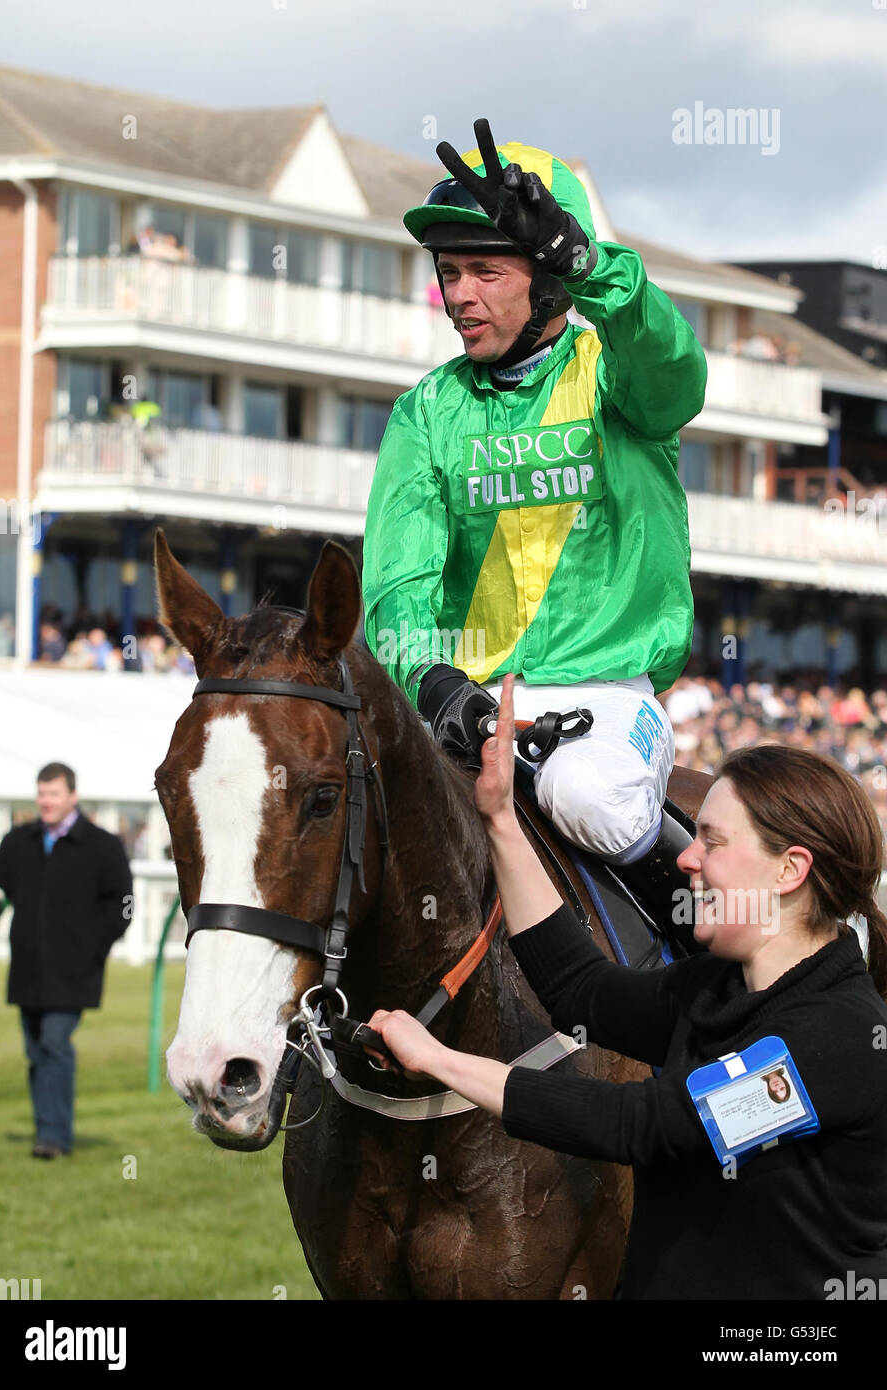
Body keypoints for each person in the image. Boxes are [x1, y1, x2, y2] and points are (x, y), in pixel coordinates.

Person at [367, 674, 887, 1300]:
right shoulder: (713, 988)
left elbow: (637, 1125)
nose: (687, 858)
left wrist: (439, 1061)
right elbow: (578, 989)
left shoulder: (844, 1037)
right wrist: (501, 817)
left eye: (713, 842)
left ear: (790, 869)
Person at [361, 118, 708, 940]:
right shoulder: (426, 411)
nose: (460, 296)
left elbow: (677, 376)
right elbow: (396, 582)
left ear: (550, 280)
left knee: (592, 802)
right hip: (465, 705)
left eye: (487, 269)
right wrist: (430, 679)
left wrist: (593, 268)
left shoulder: (617, 378)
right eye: (450, 272)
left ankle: (719, 979)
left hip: (599, 696)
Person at [0, 763, 132, 1158]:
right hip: (27, 967)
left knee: (54, 1041)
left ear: (72, 796)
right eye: (41, 794)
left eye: (54, 794)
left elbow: (125, 906)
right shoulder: (18, 841)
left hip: (75, 971)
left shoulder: (103, 845)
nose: (46, 801)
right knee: (34, 1050)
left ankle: (54, 1138)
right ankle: (48, 1127)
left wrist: (94, 945)